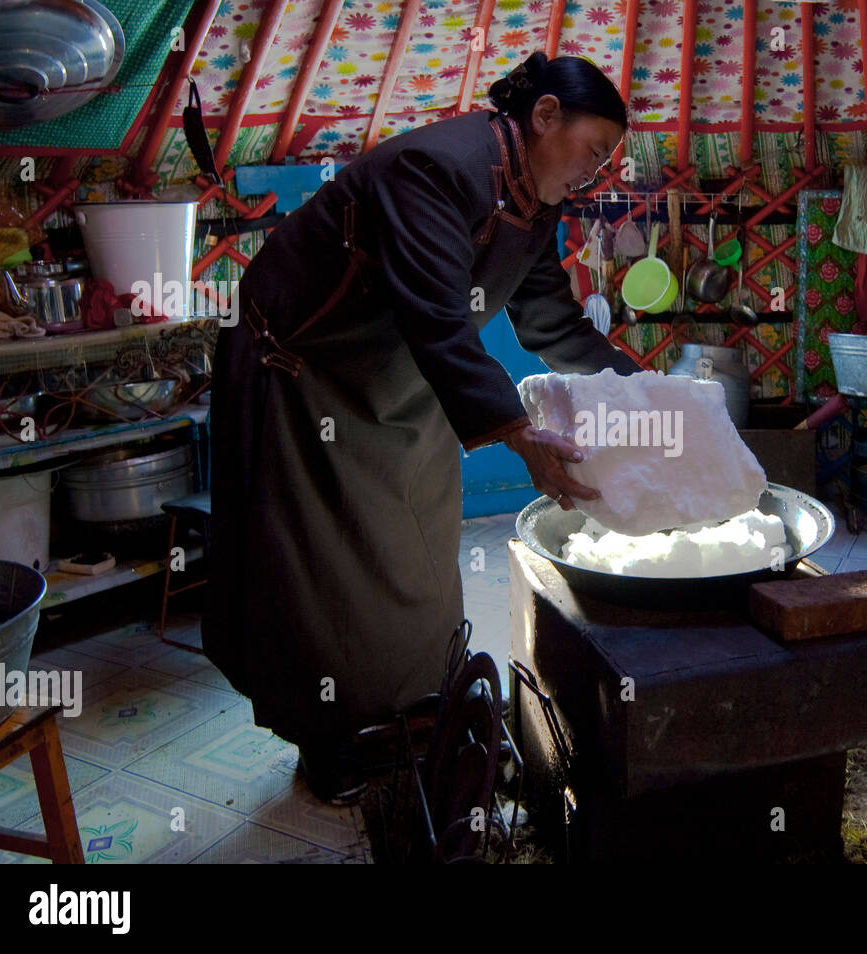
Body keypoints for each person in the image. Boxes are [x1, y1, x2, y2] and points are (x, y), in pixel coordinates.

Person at [205, 52, 640, 801]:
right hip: (306, 376)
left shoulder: (534, 208)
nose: (596, 172)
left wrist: (645, 390)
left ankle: (415, 712)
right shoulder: (438, 169)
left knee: (414, 551)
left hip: (397, 384)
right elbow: (436, 316)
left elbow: (550, 324)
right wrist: (517, 431)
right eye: (594, 151)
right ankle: (331, 740)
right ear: (543, 116)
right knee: (321, 571)